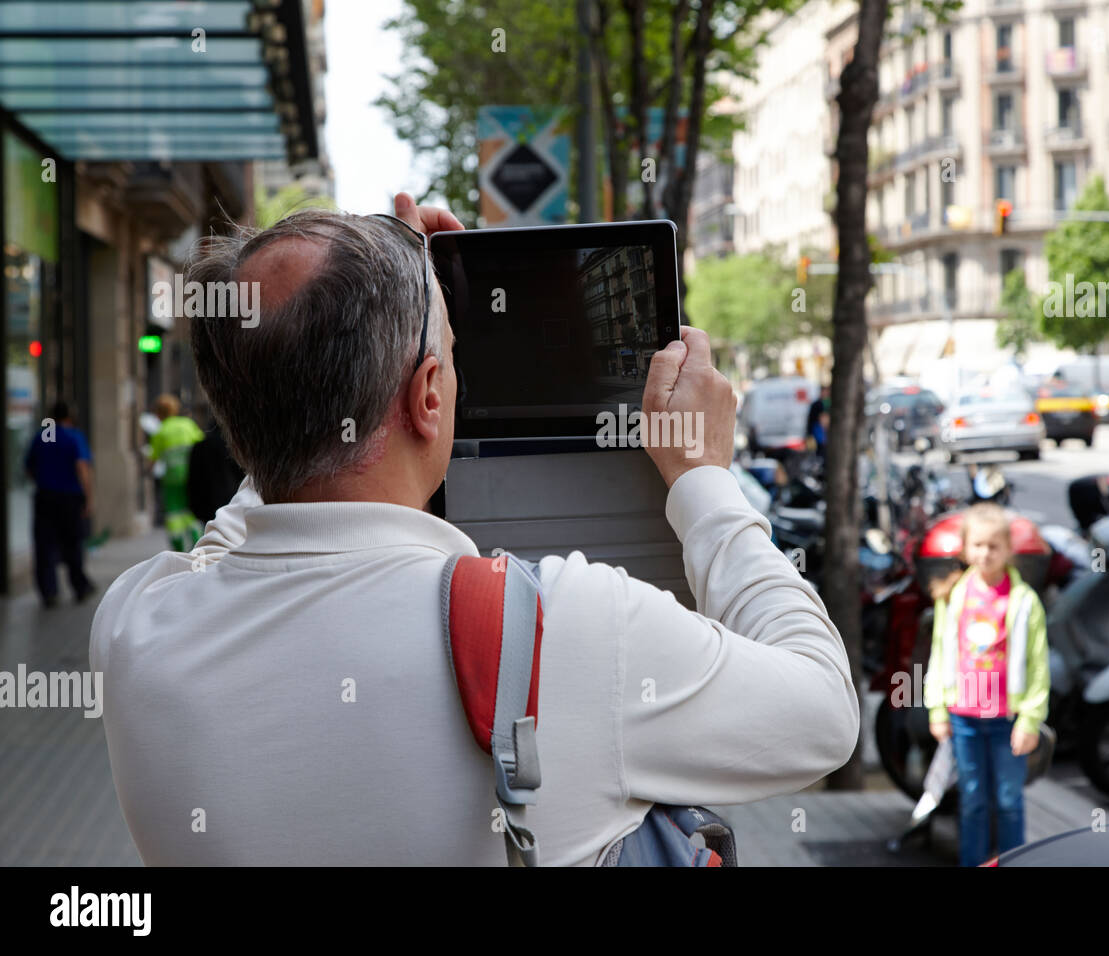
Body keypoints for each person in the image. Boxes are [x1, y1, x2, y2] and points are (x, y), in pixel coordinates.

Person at [89, 195, 859, 866]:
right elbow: (825, 711)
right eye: (452, 358)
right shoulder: (565, 628)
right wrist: (703, 479)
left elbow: (254, 503)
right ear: (429, 395)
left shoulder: (136, 623)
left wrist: (334, 322)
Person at [925, 503, 1049, 866]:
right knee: (973, 800)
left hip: (1006, 721)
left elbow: (1038, 665)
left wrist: (1030, 719)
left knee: (1010, 802)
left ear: (1009, 549)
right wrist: (937, 708)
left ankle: (1013, 861)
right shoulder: (954, 597)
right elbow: (939, 653)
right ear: (965, 549)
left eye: (994, 546)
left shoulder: (1024, 602)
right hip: (963, 717)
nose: (985, 553)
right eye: (977, 545)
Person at [24, 400, 96, 607]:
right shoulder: (74, 436)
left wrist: (43, 480)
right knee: (72, 543)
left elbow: (29, 467)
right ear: (69, 416)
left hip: (45, 496)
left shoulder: (42, 437)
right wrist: (89, 497)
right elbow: (82, 467)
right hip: (70, 498)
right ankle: (79, 587)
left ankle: (49, 592)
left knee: (44, 545)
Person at [148, 394, 205, 551]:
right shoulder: (187, 425)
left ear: (158, 413)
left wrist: (148, 471)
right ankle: (198, 547)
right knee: (192, 512)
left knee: (174, 515)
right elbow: (200, 446)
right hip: (192, 477)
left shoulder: (161, 432)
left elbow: (152, 460)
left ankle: (179, 551)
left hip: (172, 479)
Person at [185, 415, 245, 524]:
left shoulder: (200, 446)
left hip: (206, 504)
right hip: (232, 501)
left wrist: (194, 506)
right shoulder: (236, 447)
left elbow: (193, 479)